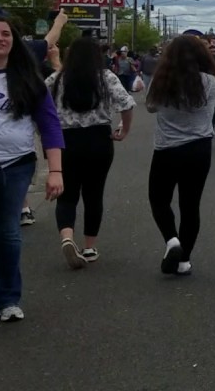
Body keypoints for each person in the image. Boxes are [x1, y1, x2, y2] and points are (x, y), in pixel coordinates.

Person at [0, 14, 65, 333]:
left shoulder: (28, 80)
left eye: (6, 34)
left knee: (9, 235)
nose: (0, 38)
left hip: (17, 166)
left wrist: (55, 171)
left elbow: (50, 126)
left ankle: (9, 300)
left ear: (14, 41)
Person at [45, 37, 135, 269]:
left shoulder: (57, 79)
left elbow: (40, 107)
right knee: (94, 194)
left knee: (67, 195)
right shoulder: (106, 77)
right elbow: (126, 104)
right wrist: (124, 129)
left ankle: (67, 237)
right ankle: (89, 247)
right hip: (99, 139)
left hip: (66, 141)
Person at [144, 35, 215, 277]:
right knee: (190, 205)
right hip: (200, 147)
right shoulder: (209, 81)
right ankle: (184, 260)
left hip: (167, 148)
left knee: (159, 199)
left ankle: (172, 239)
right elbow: (210, 111)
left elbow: (150, 107)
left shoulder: (162, 80)